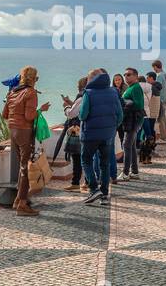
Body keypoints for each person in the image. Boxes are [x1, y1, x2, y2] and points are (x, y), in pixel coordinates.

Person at [0, 65, 48, 217]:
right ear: (34, 79)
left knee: (22, 166)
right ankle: (22, 204)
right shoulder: (30, 93)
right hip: (24, 132)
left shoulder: (12, 92)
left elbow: (5, 114)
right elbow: (29, 116)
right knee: (25, 168)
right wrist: (41, 110)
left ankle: (18, 200)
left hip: (12, 131)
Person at [80, 68, 122, 206]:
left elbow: (83, 115)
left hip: (90, 134)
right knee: (105, 164)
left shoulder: (88, 93)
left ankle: (93, 189)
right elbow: (120, 115)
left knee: (86, 160)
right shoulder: (113, 91)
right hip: (108, 134)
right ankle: (104, 195)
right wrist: (112, 127)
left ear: (92, 79)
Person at [60, 77, 87, 193]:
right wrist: (70, 102)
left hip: (77, 130)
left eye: (78, 85)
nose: (77, 87)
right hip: (87, 129)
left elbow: (71, 114)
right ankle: (86, 181)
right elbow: (79, 108)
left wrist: (66, 107)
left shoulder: (81, 95)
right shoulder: (87, 96)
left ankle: (76, 182)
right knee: (86, 157)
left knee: (76, 157)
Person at [118, 67, 146, 181]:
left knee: (126, 145)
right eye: (125, 74)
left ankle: (125, 173)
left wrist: (123, 102)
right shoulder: (131, 88)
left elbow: (138, 104)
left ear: (135, 76)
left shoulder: (135, 88)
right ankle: (134, 172)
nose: (126, 76)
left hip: (133, 120)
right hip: (131, 120)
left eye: (129, 74)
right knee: (132, 146)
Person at [151, 59, 166, 141]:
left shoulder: (159, 76)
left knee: (161, 119)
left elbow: (157, 88)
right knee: (163, 118)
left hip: (160, 100)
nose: (153, 69)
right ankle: (164, 136)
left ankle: (163, 138)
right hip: (165, 99)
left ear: (155, 67)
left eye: (153, 67)